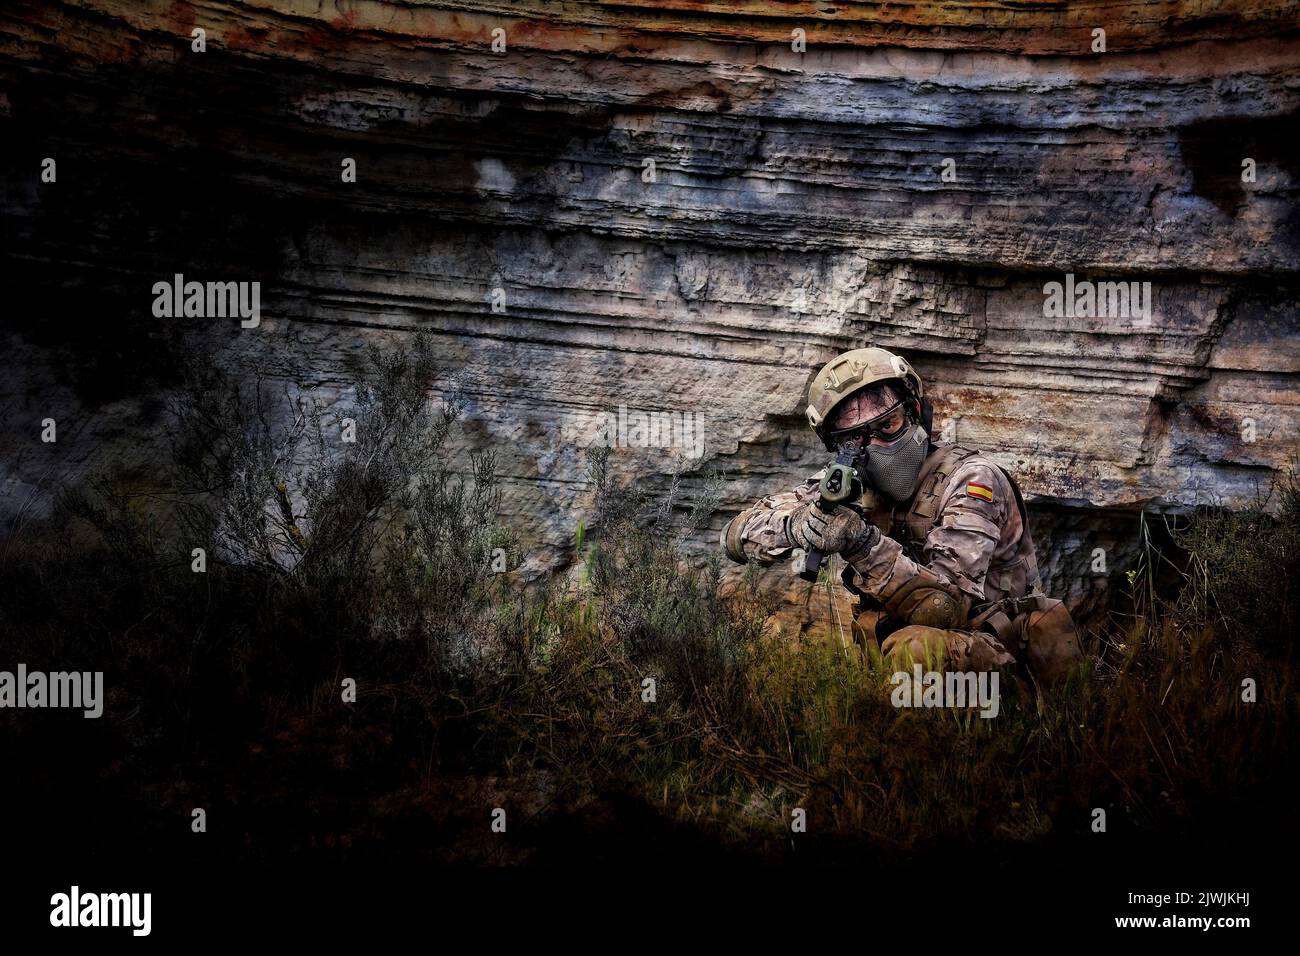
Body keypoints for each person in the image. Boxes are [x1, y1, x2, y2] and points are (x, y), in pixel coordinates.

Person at [720, 347, 1083, 684]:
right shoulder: (852, 477)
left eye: (888, 424)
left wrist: (862, 544)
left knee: (916, 648)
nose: (874, 444)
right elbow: (735, 535)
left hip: (1007, 661)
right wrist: (795, 525)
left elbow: (944, 610)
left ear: (915, 411)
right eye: (855, 438)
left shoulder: (972, 479)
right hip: (918, 664)